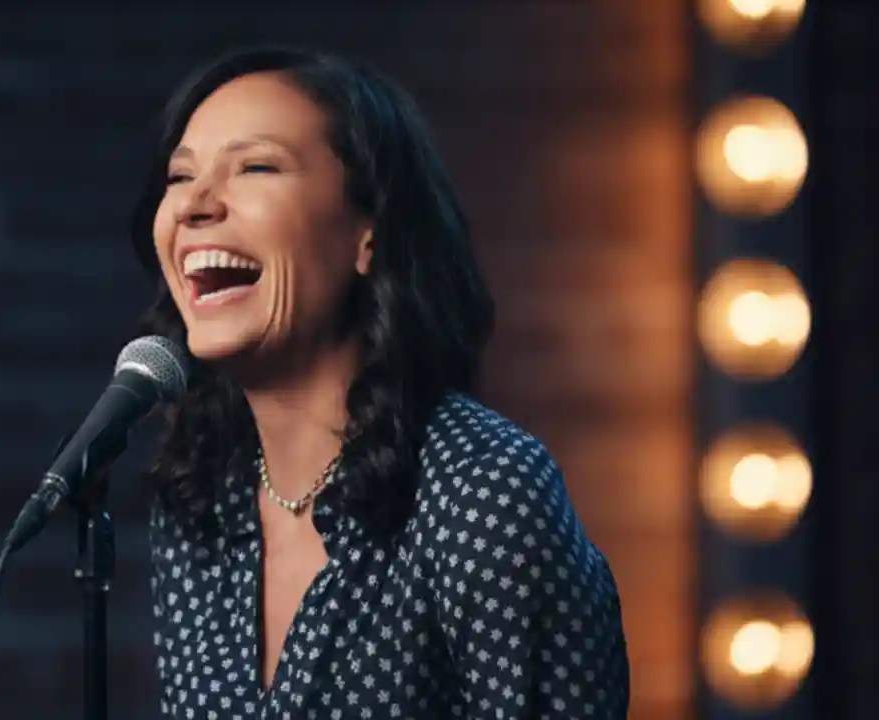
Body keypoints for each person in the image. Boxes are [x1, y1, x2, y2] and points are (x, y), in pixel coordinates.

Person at [127, 46, 629, 719]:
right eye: (179, 175)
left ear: (369, 232)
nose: (194, 205)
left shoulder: (482, 494)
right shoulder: (199, 508)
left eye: (255, 166)